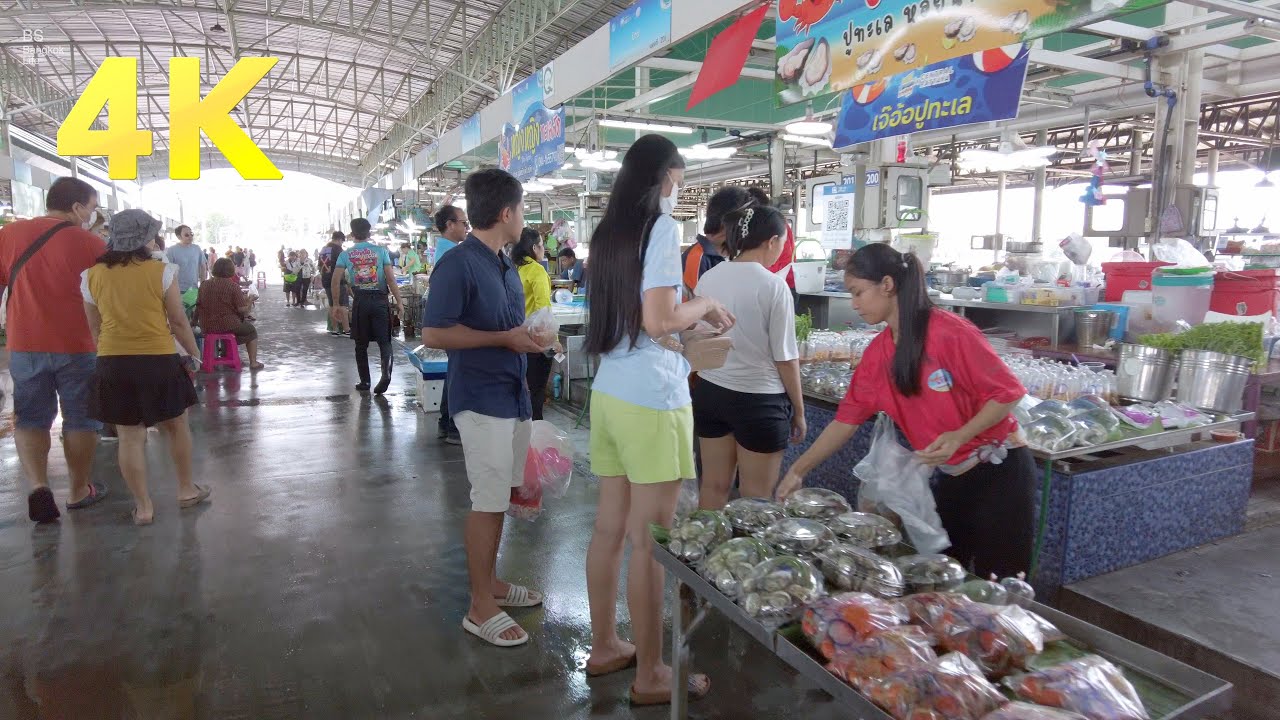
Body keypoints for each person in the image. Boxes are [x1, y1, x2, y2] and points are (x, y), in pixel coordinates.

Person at [777, 243, 1034, 578]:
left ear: (887, 284)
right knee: (949, 577)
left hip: (1000, 471)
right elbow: (845, 421)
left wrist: (960, 435)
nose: (853, 304)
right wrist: (798, 470)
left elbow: (1008, 393)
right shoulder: (879, 353)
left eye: (858, 293)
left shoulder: (950, 333)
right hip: (953, 476)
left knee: (999, 579)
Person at [582, 134, 733, 705]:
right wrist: (705, 306)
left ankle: (606, 646)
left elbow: (635, 319)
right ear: (666, 176)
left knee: (609, 528)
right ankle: (650, 676)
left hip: (611, 393)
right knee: (650, 543)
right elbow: (659, 319)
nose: (682, 190)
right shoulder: (662, 228)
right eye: (681, 179)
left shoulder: (610, 232)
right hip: (652, 400)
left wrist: (681, 314)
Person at [421, 168, 547, 648]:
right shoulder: (459, 263)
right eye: (522, 209)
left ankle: (491, 584)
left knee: (500, 499)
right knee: (488, 500)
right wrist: (502, 339)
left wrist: (530, 338)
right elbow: (433, 333)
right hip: (481, 399)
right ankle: (479, 606)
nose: (524, 218)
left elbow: (508, 328)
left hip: (511, 395)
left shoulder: (504, 265)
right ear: (506, 213)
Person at [79, 209, 209, 526]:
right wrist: (195, 355)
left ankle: (144, 506)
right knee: (177, 426)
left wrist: (109, 353)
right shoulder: (162, 272)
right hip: (158, 360)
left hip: (112, 361)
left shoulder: (90, 276)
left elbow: (94, 329)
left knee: (129, 437)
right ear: (145, 239)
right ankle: (185, 489)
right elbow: (178, 321)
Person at [0, 176, 110, 523]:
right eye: (91, 208)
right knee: (80, 418)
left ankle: (38, 486)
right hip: (79, 344)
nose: (92, 215)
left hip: (25, 343)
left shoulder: (8, 235)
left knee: (30, 417)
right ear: (77, 207)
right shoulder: (92, 245)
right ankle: (79, 490)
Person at [692, 204, 804, 508]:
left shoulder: (710, 278)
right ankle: (744, 555)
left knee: (713, 487)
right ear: (771, 241)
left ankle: (705, 551)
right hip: (759, 401)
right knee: (756, 499)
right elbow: (785, 357)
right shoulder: (773, 286)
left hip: (711, 392)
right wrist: (799, 410)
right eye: (783, 241)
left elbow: (699, 339)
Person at [330, 218, 405, 394]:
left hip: (360, 301)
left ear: (352, 234)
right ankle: (385, 375)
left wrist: (335, 305)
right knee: (384, 341)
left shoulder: (345, 254)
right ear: (369, 233)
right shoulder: (381, 251)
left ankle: (365, 381)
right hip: (380, 300)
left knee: (360, 344)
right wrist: (399, 301)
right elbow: (390, 279)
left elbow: (335, 280)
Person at [432, 203, 471, 445]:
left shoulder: (447, 249)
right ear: (450, 225)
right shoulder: (452, 253)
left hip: (450, 320)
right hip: (454, 322)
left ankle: (446, 424)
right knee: (459, 374)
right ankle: (453, 427)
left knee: (454, 372)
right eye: (463, 223)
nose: (467, 227)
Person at [512, 228, 554, 421]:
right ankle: (535, 437)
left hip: (514, 337)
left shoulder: (513, 268)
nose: (543, 250)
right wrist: (554, 341)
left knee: (520, 389)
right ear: (534, 247)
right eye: (542, 245)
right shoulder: (537, 270)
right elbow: (543, 311)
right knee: (536, 391)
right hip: (534, 340)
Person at [681, 186, 753, 298]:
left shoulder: (733, 254)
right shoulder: (698, 259)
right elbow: (695, 306)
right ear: (729, 223)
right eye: (746, 222)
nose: (747, 230)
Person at [197, 258, 264, 370]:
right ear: (230, 270)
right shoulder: (232, 286)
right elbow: (242, 310)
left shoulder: (204, 285)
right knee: (251, 331)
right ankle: (253, 362)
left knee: (226, 331)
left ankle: (227, 355)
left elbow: (198, 305)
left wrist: (195, 321)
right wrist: (250, 301)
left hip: (206, 324)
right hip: (227, 324)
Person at [166, 225, 208, 305]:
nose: (190, 236)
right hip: (177, 290)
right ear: (179, 237)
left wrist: (202, 284)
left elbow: (203, 266)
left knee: (191, 314)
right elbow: (168, 270)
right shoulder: (172, 250)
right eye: (186, 235)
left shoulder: (196, 248)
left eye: (191, 234)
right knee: (181, 315)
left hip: (193, 289)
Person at [319, 230, 350, 335]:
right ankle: (347, 330)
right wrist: (345, 281)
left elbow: (320, 266)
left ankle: (334, 329)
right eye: (342, 241)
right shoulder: (338, 249)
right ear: (340, 239)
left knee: (332, 304)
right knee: (342, 305)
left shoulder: (324, 249)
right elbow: (342, 267)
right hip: (337, 281)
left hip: (326, 280)